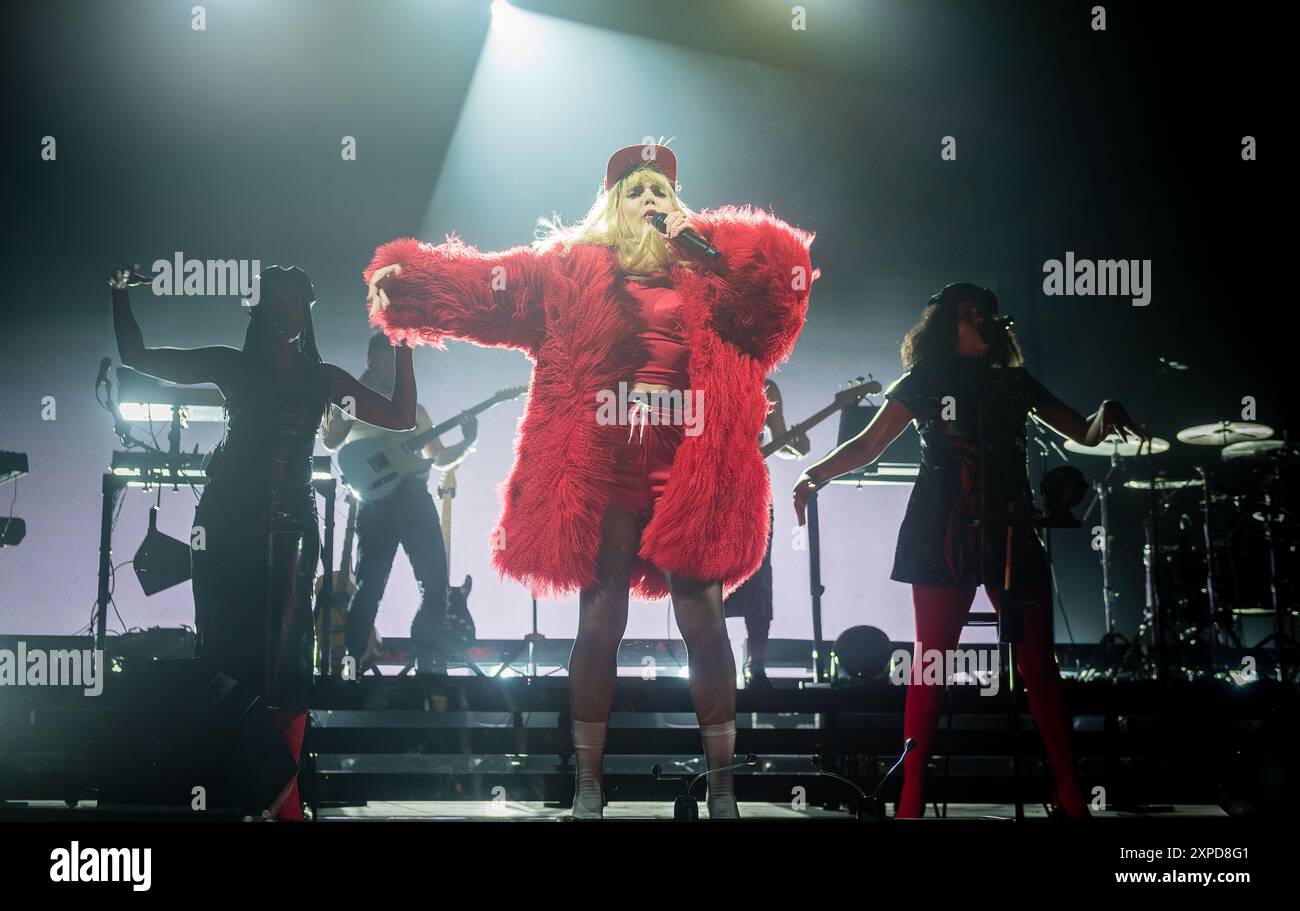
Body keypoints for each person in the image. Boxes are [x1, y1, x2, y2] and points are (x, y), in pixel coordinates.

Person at [365, 143, 816, 818]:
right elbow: (488, 289)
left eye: (661, 189)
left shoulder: (712, 275)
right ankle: (589, 785)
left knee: (705, 620)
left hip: (689, 464)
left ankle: (723, 787)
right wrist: (411, 285)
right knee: (600, 618)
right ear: (613, 203)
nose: (651, 200)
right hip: (605, 465)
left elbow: (782, 294)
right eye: (636, 189)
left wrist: (708, 252)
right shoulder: (568, 270)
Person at [793, 282, 1145, 820]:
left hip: (1010, 530)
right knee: (931, 660)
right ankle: (910, 800)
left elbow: (1085, 434)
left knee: (1039, 665)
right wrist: (814, 473)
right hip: (941, 532)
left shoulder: (1015, 382)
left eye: (984, 312)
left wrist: (1106, 410)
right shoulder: (924, 379)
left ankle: (1070, 792)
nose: (977, 317)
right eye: (965, 312)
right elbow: (868, 445)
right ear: (943, 325)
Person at [112, 264, 415, 818]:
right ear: (258, 310)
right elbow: (138, 357)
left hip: (291, 532)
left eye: (294, 301)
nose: (284, 311)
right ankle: (243, 792)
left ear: (306, 310)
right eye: (275, 302)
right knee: (225, 659)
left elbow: (398, 415)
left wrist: (406, 339)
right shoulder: (233, 365)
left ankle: (282, 800)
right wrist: (119, 294)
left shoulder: (321, 377)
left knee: (287, 668)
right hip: (226, 528)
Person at [321, 331, 478, 673]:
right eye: (387, 359)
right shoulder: (352, 401)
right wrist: (352, 394)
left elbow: (438, 458)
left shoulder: (415, 409)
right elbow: (331, 442)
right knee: (369, 588)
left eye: (399, 360)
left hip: (413, 498)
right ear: (371, 362)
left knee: (436, 584)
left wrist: (467, 442)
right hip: (375, 505)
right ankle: (349, 663)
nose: (395, 367)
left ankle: (426, 659)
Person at [723, 378, 809, 689]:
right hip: (711, 487)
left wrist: (798, 448)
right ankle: (711, 662)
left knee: (758, 573)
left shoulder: (767, 388)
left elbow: (780, 441)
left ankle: (755, 666)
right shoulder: (705, 380)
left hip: (754, 490)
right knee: (708, 573)